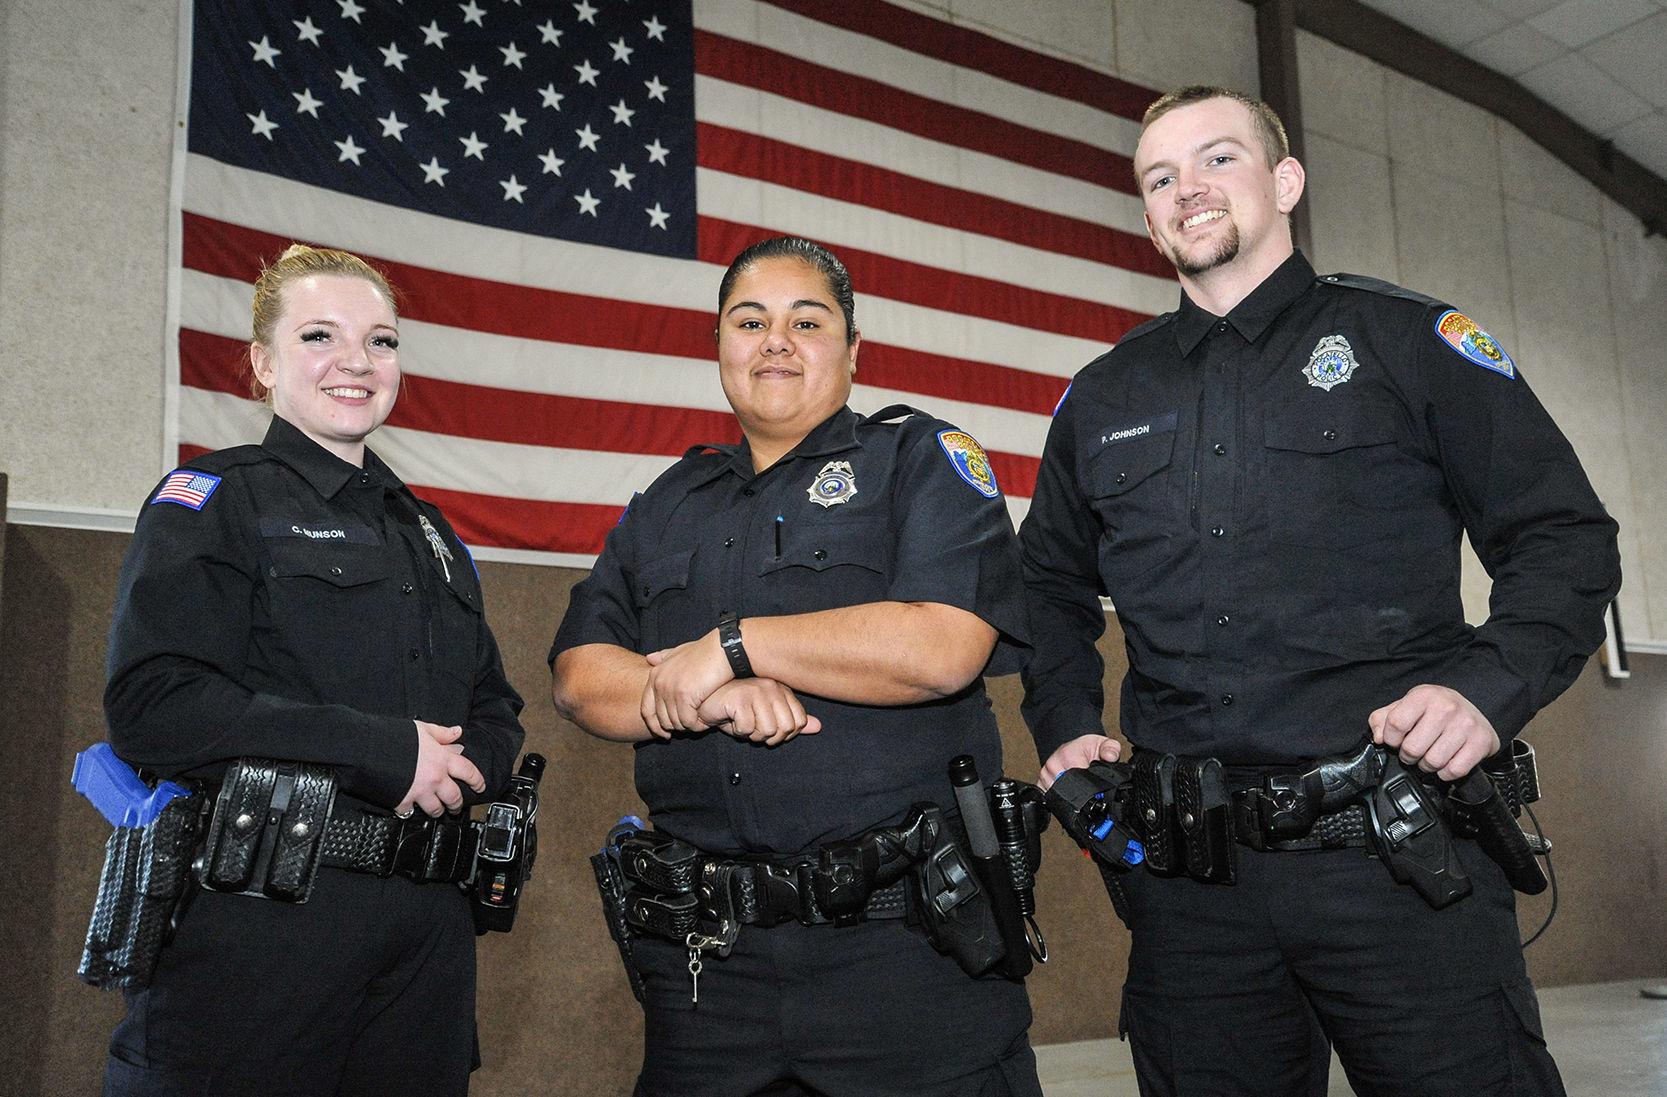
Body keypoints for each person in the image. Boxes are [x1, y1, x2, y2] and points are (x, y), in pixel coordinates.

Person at [1020, 86, 1620, 1097]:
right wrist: (1063, 720)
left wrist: (1484, 687)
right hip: (1187, 884)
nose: (1187, 190)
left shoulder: (1410, 342)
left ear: (1283, 180)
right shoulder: (1102, 396)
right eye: (1159, 177)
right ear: (1144, 214)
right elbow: (1042, 585)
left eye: (1217, 160)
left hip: (1393, 859)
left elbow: (1562, 536)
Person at [550, 236, 1041, 1097]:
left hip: (906, 957)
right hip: (708, 973)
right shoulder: (667, 503)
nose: (774, 340)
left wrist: (735, 643)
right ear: (719, 346)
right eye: (749, 320)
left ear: (852, 351)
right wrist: (711, 696)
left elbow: (942, 648)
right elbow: (581, 676)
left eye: (805, 320)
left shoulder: (920, 460)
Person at [102, 244, 526, 1095]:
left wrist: (461, 766)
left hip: (426, 939)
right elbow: (156, 704)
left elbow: (494, 704)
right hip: (269, 920)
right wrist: (381, 750)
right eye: (320, 335)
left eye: (381, 340)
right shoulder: (214, 500)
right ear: (262, 362)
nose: (356, 363)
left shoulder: (431, 532)